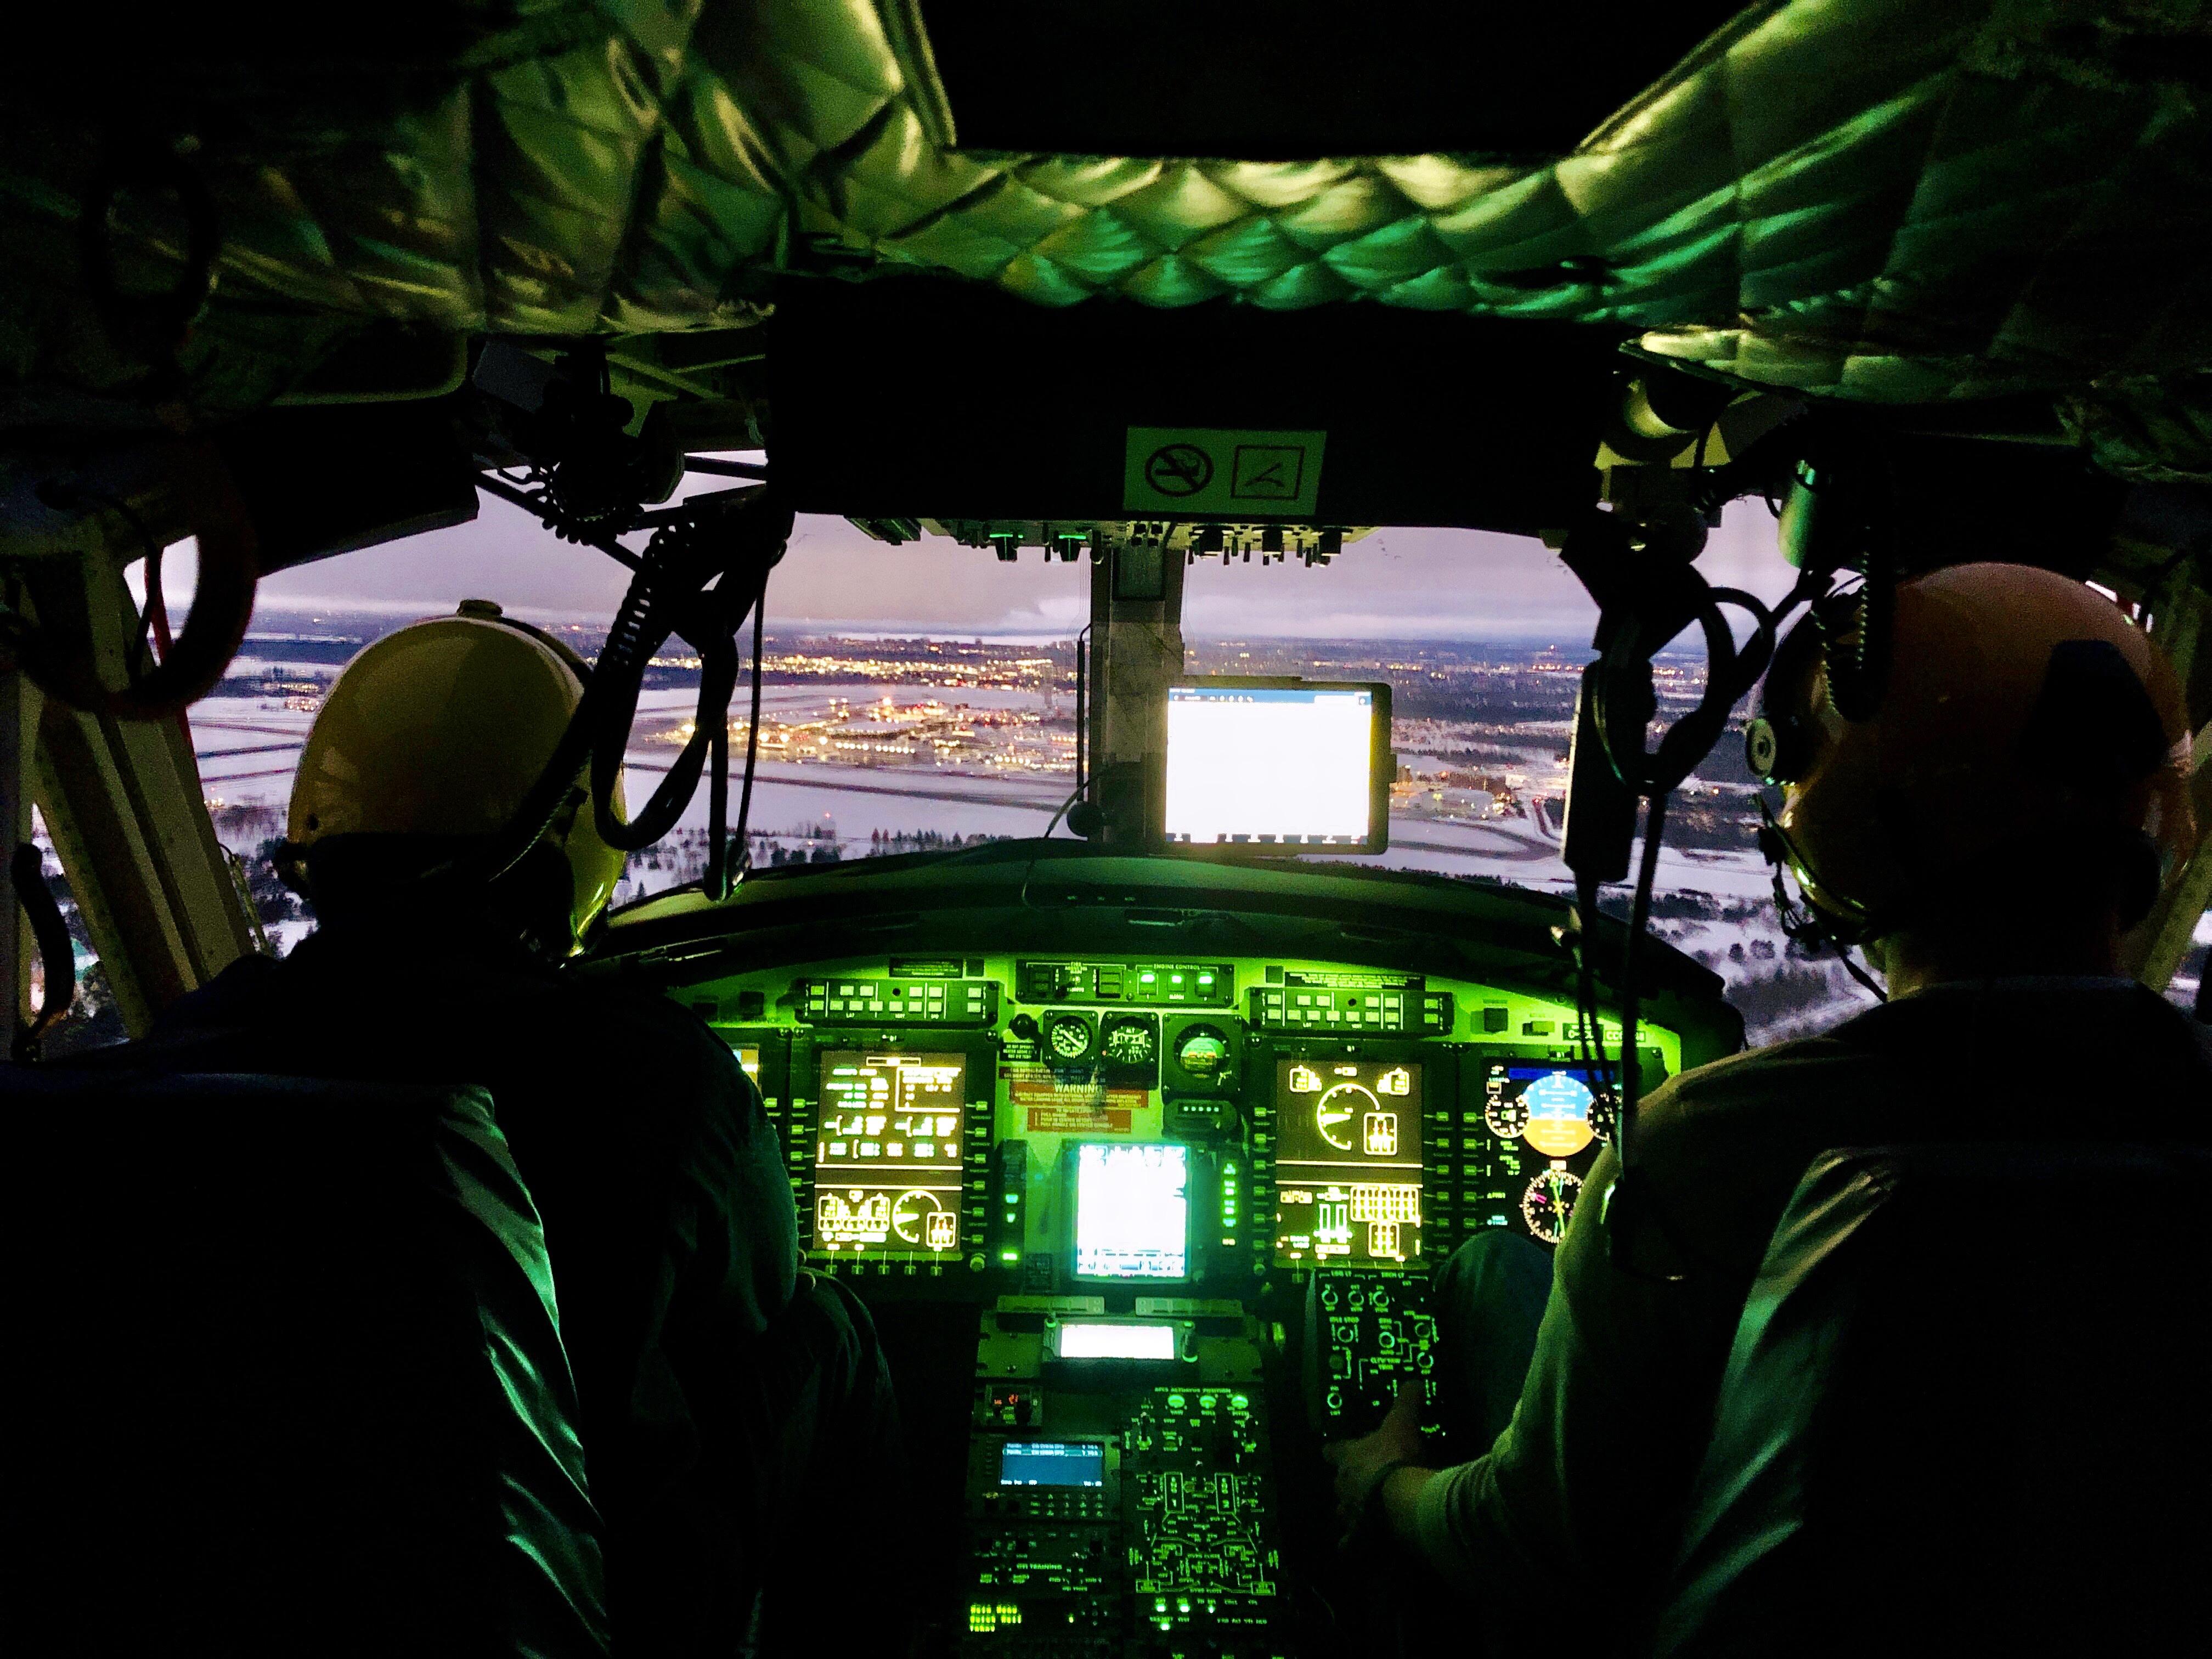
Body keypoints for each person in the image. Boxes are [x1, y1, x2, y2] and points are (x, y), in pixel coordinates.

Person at [1326, 562, 2212, 1652]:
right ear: (2158, 834)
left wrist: (1383, 1482)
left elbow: (1534, 1547)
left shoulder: (1717, 1144)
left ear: (1835, 829)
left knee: (1487, 1263)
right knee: (1504, 1262)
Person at [126, 602, 901, 1657]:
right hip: (614, 1615)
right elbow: (758, 1313)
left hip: (244, 1599)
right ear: (573, 840)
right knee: (836, 1330)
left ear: (323, 828)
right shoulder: (656, 1075)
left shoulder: (189, 1049)